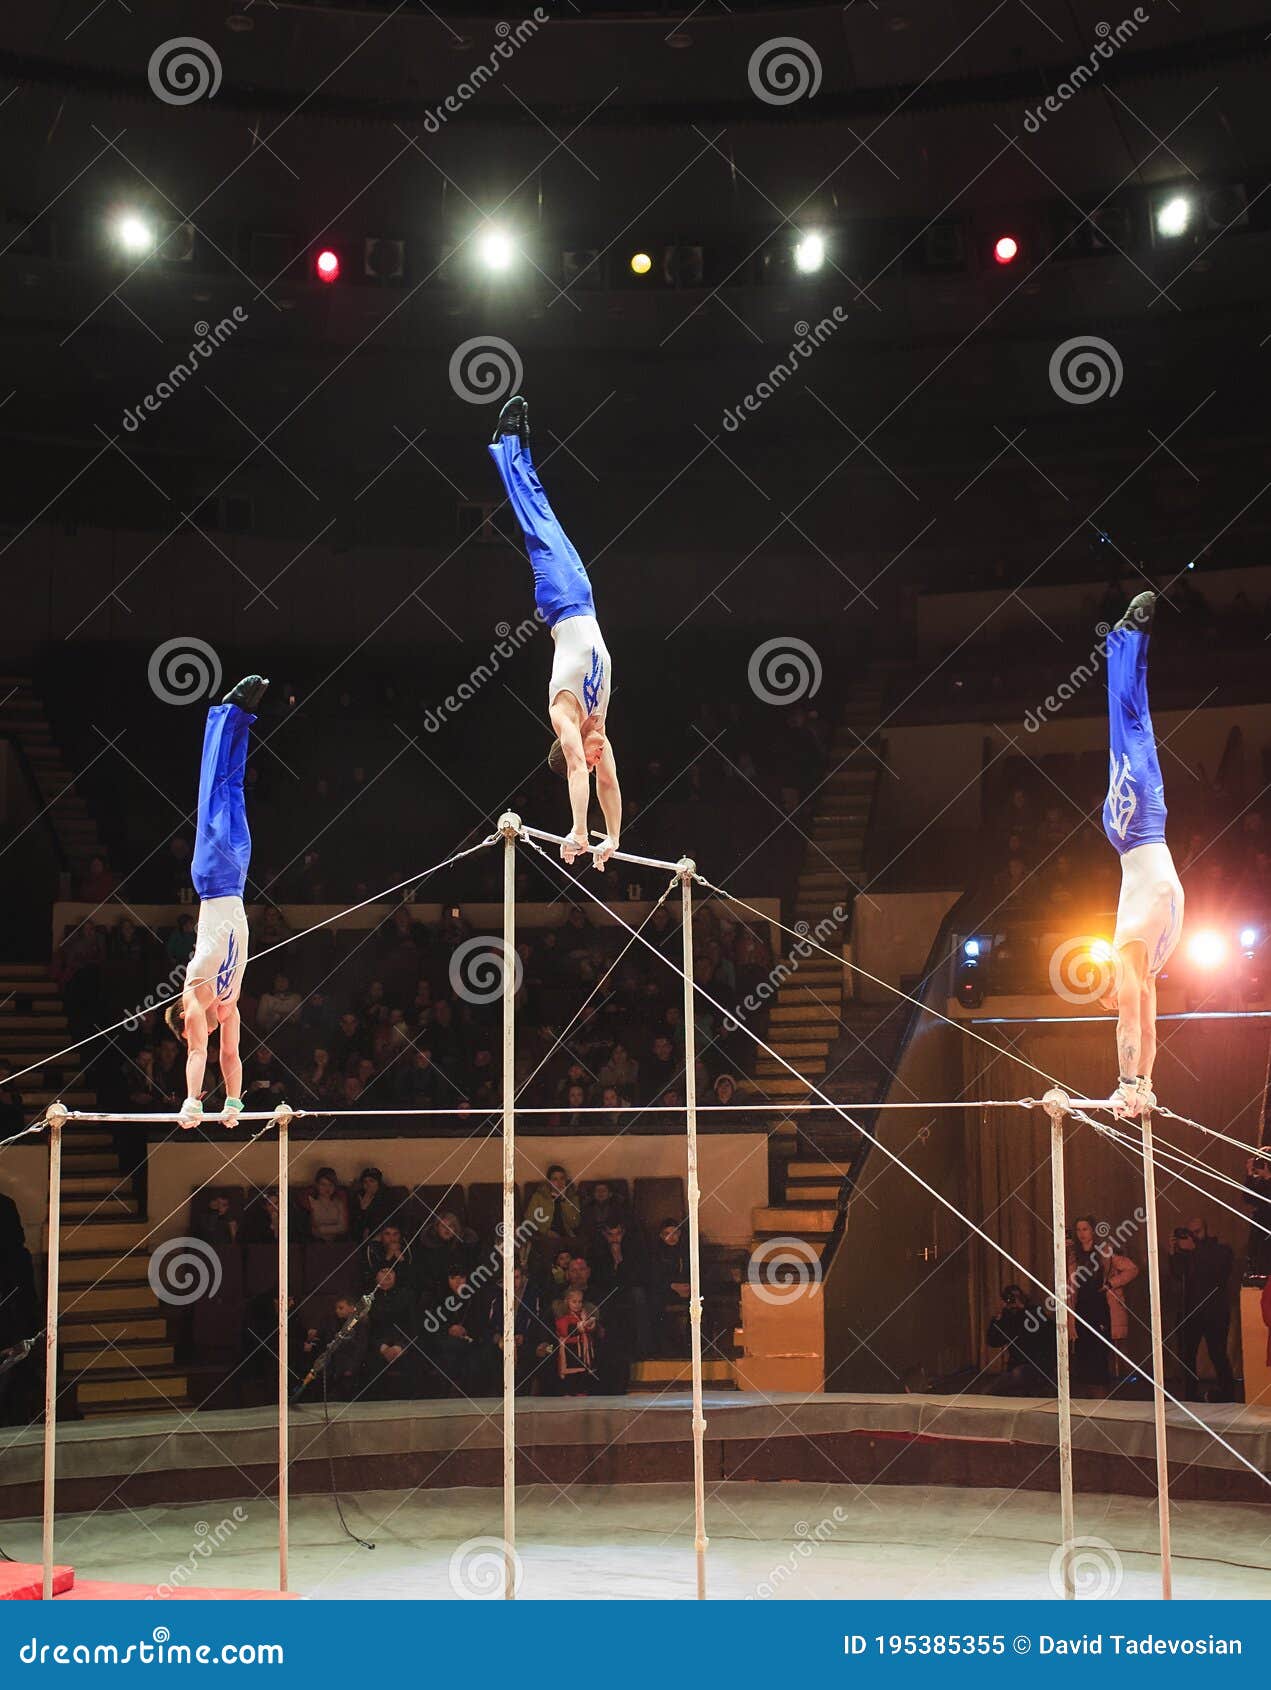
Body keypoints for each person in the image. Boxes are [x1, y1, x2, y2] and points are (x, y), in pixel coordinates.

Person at [487, 393, 620, 867]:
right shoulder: (598, 727)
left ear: (576, 756)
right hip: (583, 596)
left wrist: (581, 831)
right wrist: (612, 838)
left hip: (562, 600)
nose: (601, 754)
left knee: (535, 516)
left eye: (592, 756)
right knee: (542, 510)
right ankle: (518, 446)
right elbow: (606, 781)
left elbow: (583, 774)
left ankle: (507, 445)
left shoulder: (566, 718)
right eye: (600, 756)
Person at [166, 675, 269, 1128]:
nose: (204, 1029)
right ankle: (244, 718)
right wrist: (232, 1104)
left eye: (196, 1025)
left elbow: (197, 1051)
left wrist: (192, 1101)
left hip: (210, 880)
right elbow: (230, 1055)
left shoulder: (195, 994)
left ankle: (223, 713)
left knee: (212, 795)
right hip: (239, 882)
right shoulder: (228, 1008)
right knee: (234, 791)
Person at [1095, 594, 1184, 1117]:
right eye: (1106, 996)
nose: (1108, 998)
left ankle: (1130, 641)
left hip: (1166, 890)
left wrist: (1145, 1085)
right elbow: (1130, 1024)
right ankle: (1129, 639)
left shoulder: (1143, 959)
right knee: (1129, 724)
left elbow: (1147, 1025)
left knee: (1138, 727)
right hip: (1140, 831)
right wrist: (1125, 1082)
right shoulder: (1128, 951)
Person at [1169, 1218, 1236, 1401]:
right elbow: (1177, 1274)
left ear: (1206, 1230)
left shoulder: (1220, 1250)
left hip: (1215, 1313)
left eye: (1197, 1232)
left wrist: (1194, 1250)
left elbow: (1219, 1272)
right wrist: (1174, 1252)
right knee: (1187, 1355)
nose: (1194, 1237)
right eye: (1190, 1233)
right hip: (1190, 1313)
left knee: (1218, 1354)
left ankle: (1229, 1394)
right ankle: (1191, 1396)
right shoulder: (1187, 1254)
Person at [986, 1284, 1056, 1395]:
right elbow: (994, 1342)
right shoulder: (1008, 1317)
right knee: (990, 1392)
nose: (1012, 1301)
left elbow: (1048, 1333)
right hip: (1016, 1366)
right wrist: (997, 1319)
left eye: (1015, 1297)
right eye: (1008, 1298)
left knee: (1017, 1376)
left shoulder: (1035, 1312)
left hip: (1038, 1365)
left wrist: (1023, 1308)